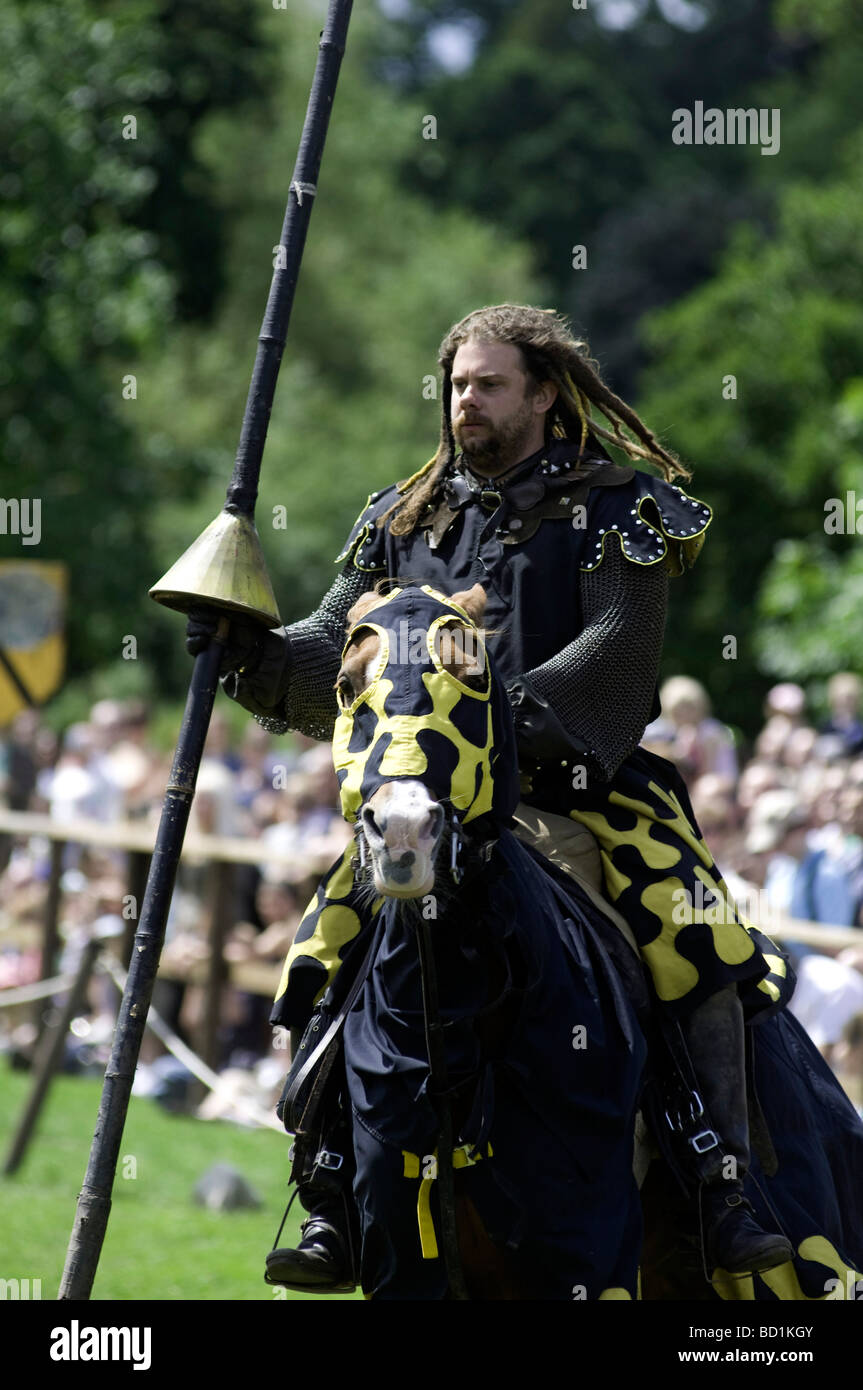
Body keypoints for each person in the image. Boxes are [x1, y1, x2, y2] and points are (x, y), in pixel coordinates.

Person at [188, 304, 793, 1291]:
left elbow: (611, 660)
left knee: (694, 931)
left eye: (488, 384)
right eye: (456, 384)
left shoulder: (614, 508)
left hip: (576, 795)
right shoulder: (402, 516)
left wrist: (481, 717)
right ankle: (333, 1181)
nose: (465, 400)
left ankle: (711, 1177)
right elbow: (334, 645)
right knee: (327, 939)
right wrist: (251, 653)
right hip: (419, 798)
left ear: (544, 393)